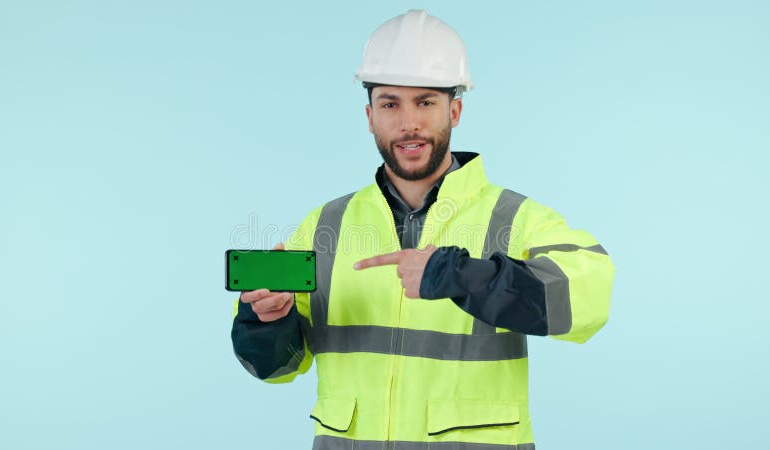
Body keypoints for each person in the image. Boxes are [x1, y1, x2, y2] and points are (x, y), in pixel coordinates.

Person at [231, 9, 614, 450]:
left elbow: (591, 299)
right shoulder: (324, 227)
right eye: (390, 103)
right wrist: (267, 323)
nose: (408, 122)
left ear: (455, 110)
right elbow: (274, 368)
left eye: (426, 102)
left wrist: (461, 276)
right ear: (370, 115)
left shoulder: (512, 218)